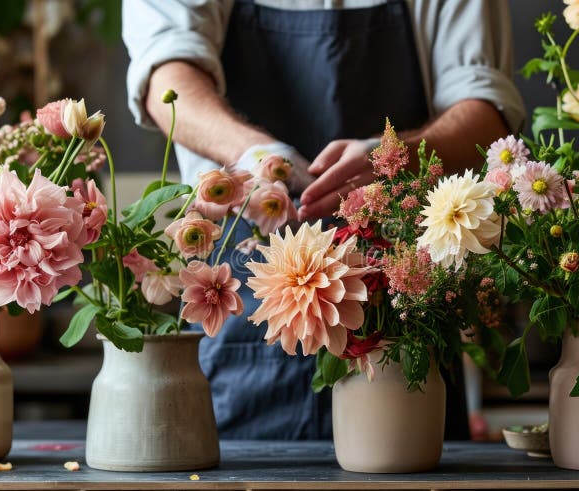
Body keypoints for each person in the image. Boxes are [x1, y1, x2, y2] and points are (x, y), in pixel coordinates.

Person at [122, 0, 525, 440]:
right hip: (243, 311)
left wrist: (396, 155)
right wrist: (255, 154)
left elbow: (486, 106)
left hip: (402, 318)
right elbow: (165, 73)